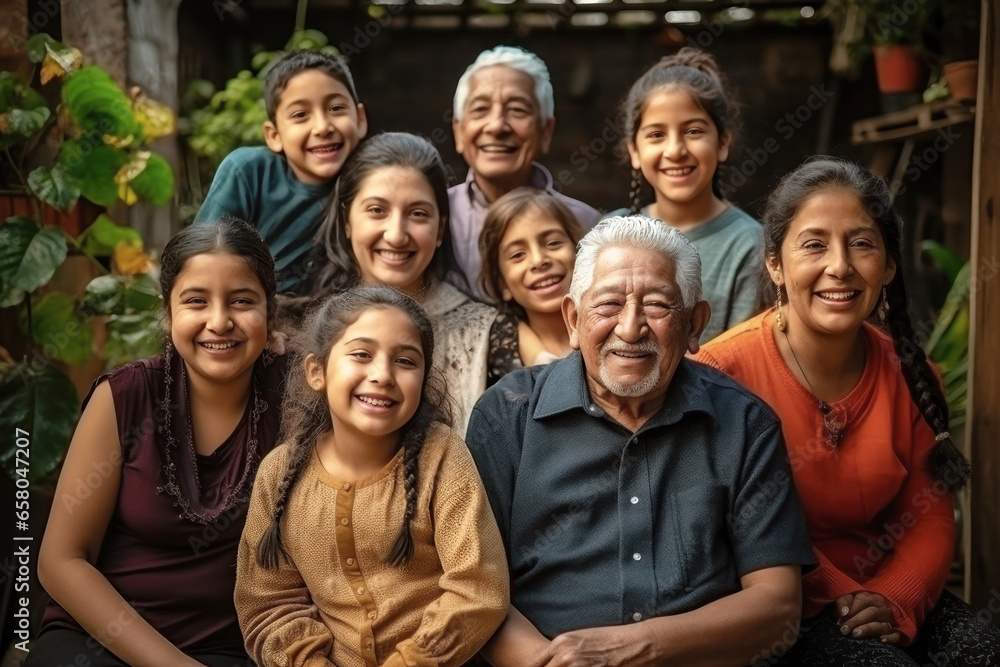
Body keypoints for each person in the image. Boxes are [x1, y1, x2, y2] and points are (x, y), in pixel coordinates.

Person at [466, 215, 816, 666]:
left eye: (657, 306)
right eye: (608, 304)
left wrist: (635, 648)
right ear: (573, 319)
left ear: (694, 325)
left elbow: (779, 609)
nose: (630, 329)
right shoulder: (506, 415)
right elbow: (474, 587)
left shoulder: (744, 423)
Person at [696, 157, 998, 665]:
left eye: (861, 243)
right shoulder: (722, 374)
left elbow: (928, 517)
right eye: (814, 244)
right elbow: (733, 527)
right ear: (775, 263)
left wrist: (894, 598)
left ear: (889, 264)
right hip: (777, 602)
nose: (840, 265)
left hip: (889, 592)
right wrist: (845, 599)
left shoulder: (913, 375)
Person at [30, 217, 286, 666]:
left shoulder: (296, 397)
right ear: (169, 315)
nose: (220, 321)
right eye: (196, 301)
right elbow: (61, 561)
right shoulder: (128, 395)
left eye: (243, 301)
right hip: (98, 643)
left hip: (233, 649)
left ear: (270, 312)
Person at [235, 286, 509, 667]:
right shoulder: (279, 472)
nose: (382, 375)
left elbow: (479, 588)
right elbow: (267, 603)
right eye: (362, 355)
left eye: (406, 361)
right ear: (317, 371)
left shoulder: (441, 455)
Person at [314, 131, 497, 433]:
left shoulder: (488, 331)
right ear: (347, 221)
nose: (396, 234)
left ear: (440, 229)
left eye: (417, 213)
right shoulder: (308, 326)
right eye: (377, 210)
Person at [612, 47, 763, 342]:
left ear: (722, 143)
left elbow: (744, 356)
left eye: (693, 131)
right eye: (656, 135)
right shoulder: (611, 232)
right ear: (634, 150)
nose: (675, 151)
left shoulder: (750, 245)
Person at [196, 51, 368, 294]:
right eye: (300, 115)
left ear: (360, 119)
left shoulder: (370, 181)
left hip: (334, 319)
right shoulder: (249, 172)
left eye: (336, 108)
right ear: (274, 135)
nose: (322, 127)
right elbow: (200, 260)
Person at [449, 45, 600, 300]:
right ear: (458, 131)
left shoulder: (588, 227)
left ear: (546, 131)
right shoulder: (434, 219)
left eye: (518, 109)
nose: (497, 126)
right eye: (480, 109)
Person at [478, 187, 583, 385]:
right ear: (502, 285)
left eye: (553, 243)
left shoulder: (617, 331)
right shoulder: (495, 366)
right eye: (518, 255)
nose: (538, 260)